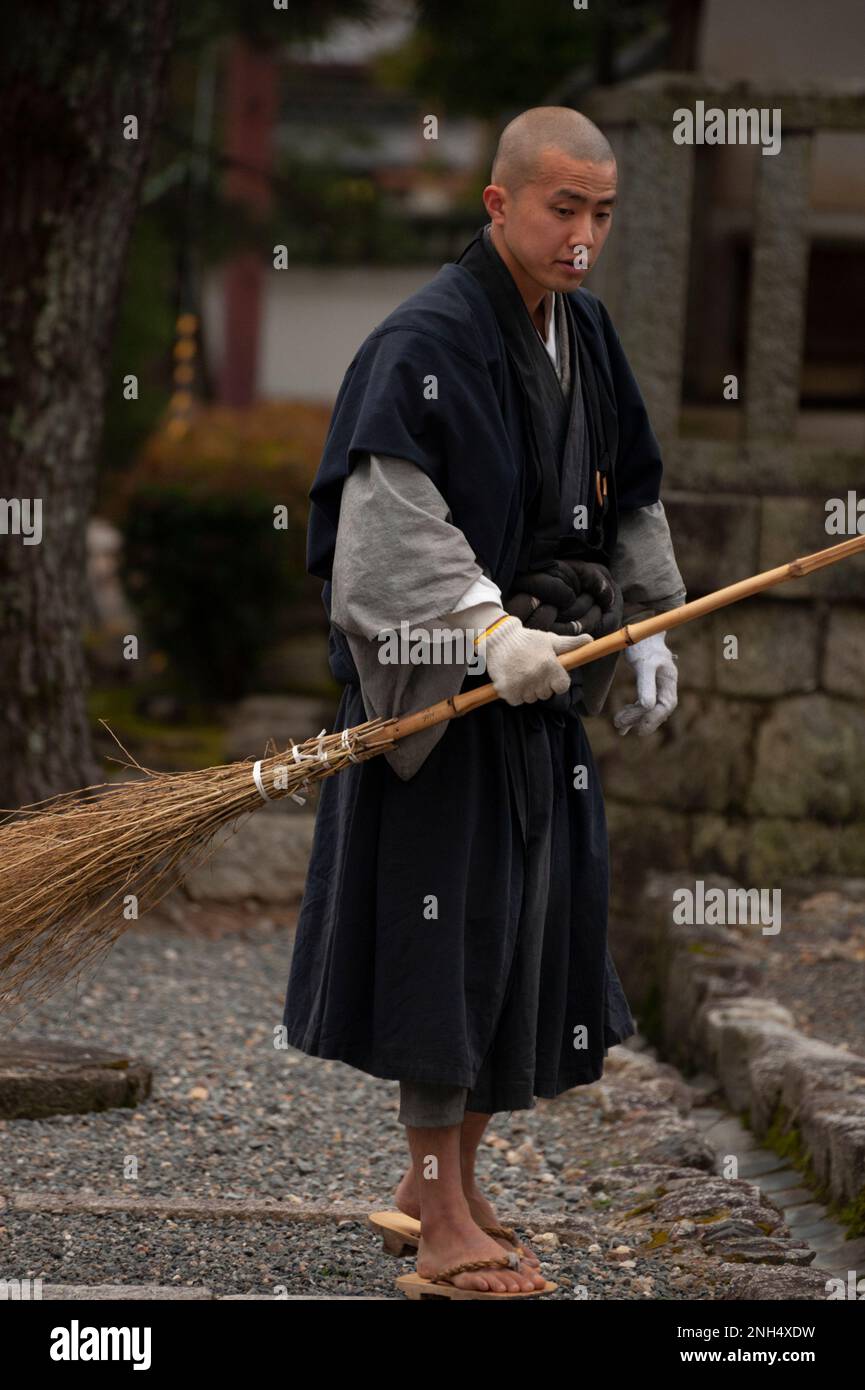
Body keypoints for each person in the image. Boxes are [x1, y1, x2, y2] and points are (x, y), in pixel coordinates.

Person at [283, 106, 686, 1297]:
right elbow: (382, 532)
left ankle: (436, 1189)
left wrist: (654, 626)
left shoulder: (586, 332)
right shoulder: (425, 338)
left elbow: (629, 493)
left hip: (542, 694)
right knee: (441, 946)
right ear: (498, 203)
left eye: (602, 214)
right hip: (441, 706)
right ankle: (443, 1218)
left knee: (520, 940)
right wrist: (482, 628)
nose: (584, 236)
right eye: (564, 208)